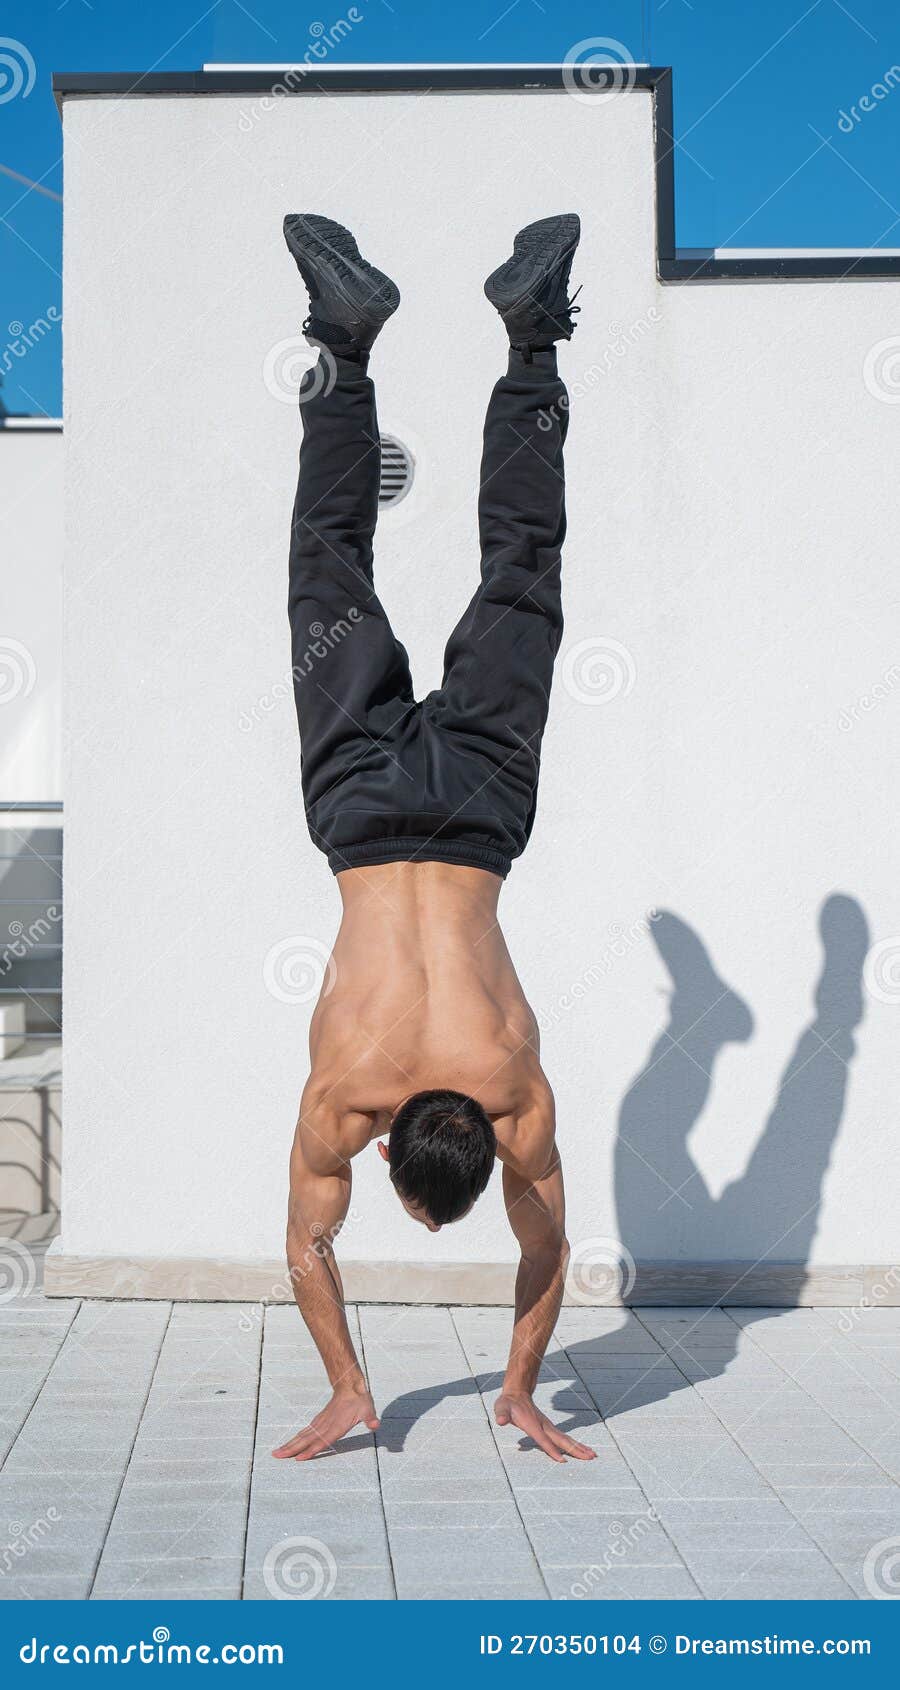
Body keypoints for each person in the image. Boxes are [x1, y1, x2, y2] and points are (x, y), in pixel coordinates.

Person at [274, 212, 593, 1465]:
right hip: (356, 809)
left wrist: (520, 1381)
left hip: (480, 809)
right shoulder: (341, 1095)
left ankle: (531, 342)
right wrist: (353, 1383)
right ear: (396, 1155)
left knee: (524, 568)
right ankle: (343, 354)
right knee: (324, 563)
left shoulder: (513, 1086)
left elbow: (549, 1243)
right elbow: (309, 1244)